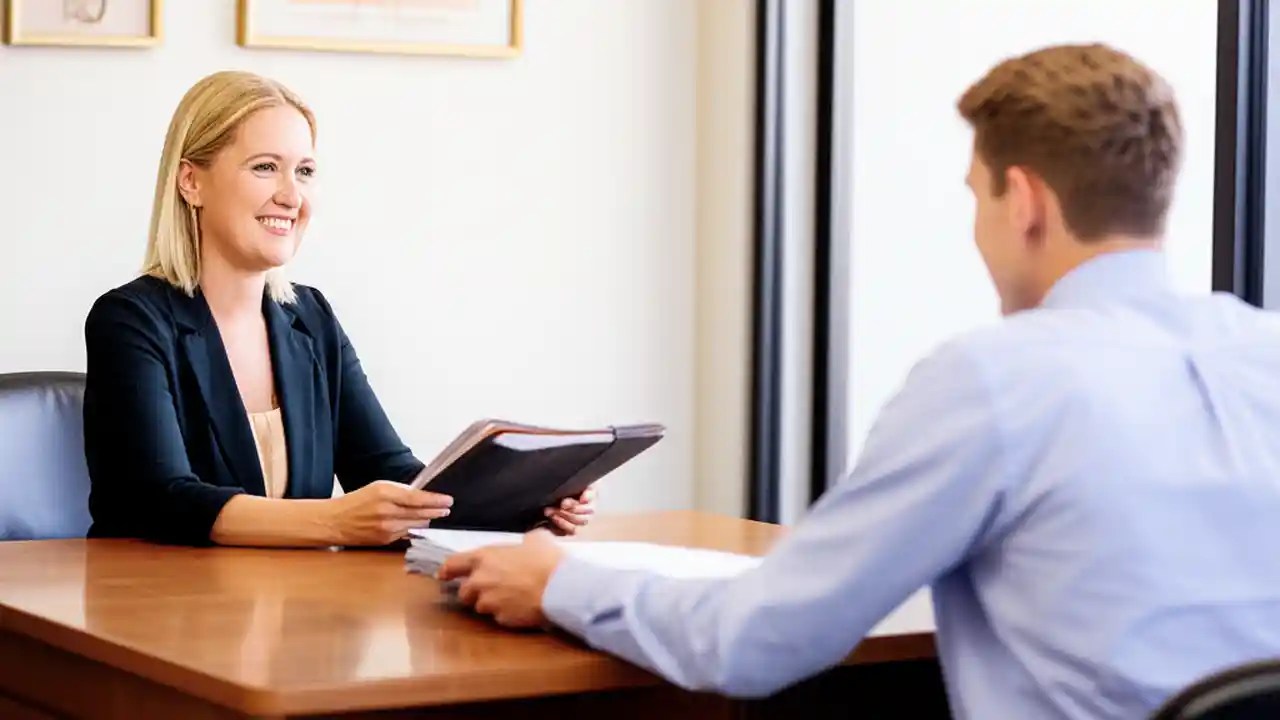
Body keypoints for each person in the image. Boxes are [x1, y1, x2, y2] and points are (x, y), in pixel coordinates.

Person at [437, 43, 1280, 719]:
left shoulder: (999, 380)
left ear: (1023, 203)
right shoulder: (1263, 351)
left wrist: (561, 582)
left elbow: (757, 641)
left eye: (976, 200)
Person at [82, 70, 595, 548]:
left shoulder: (310, 317)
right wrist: (335, 519)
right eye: (265, 168)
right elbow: (159, 498)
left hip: (293, 613)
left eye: (304, 171)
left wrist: (517, 506)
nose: (291, 195)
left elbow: (385, 467)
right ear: (191, 181)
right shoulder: (129, 320)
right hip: (161, 611)